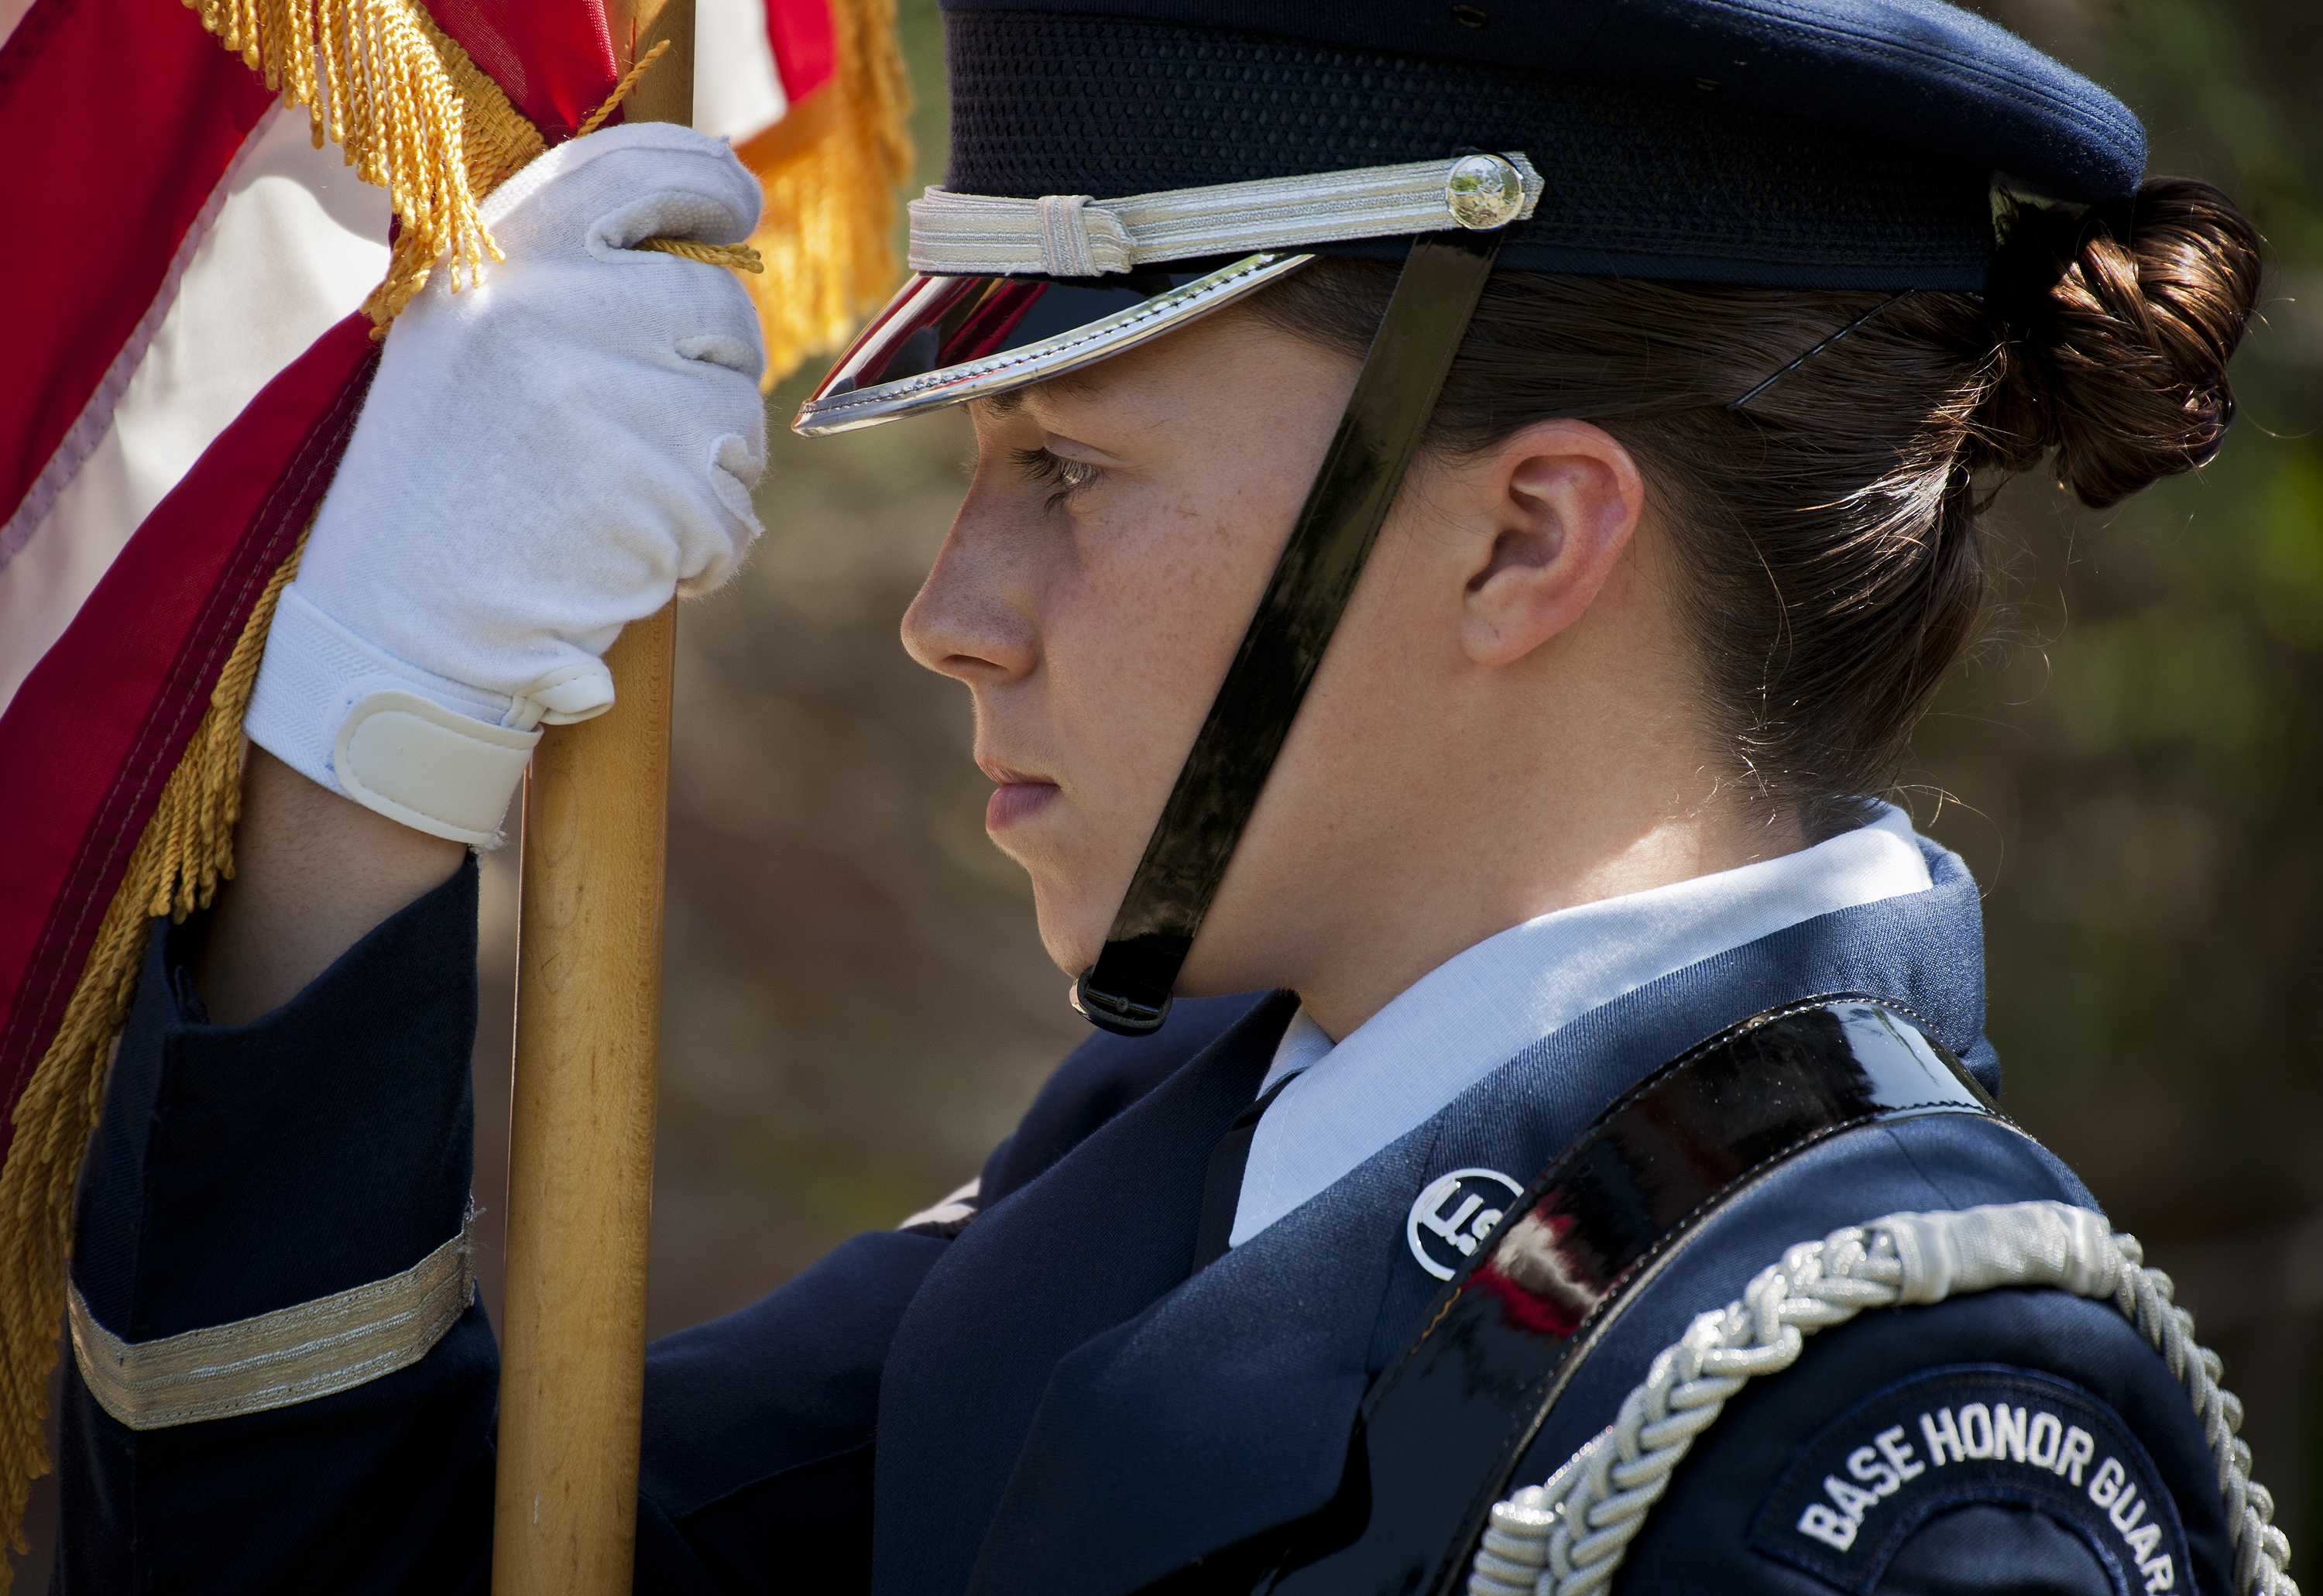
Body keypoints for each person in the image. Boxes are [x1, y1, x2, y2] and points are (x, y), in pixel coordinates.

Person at [52, 0, 2278, 1591]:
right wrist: (371, 759)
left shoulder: (1890, 1404)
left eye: (1069, 470)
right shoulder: (1181, 1157)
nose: (952, 611)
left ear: (1523, 541)